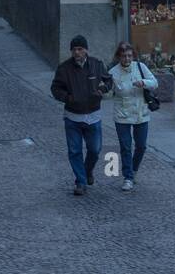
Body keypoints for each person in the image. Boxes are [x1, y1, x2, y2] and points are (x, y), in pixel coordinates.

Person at [50, 35, 112, 196]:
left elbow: (109, 81)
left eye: (80, 49)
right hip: (72, 117)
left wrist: (103, 90)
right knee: (74, 151)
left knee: (95, 149)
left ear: (86, 50)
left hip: (93, 116)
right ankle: (81, 181)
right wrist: (68, 98)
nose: (77, 52)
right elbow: (55, 89)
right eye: (74, 50)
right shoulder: (64, 69)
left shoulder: (97, 65)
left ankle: (87, 171)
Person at [109, 41, 158, 193]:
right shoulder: (113, 73)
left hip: (140, 114)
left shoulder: (140, 67)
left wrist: (143, 82)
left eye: (130, 56)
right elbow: (106, 92)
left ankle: (134, 169)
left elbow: (154, 83)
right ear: (119, 57)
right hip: (122, 115)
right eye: (124, 56)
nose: (127, 59)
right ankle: (128, 178)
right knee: (125, 147)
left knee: (141, 146)